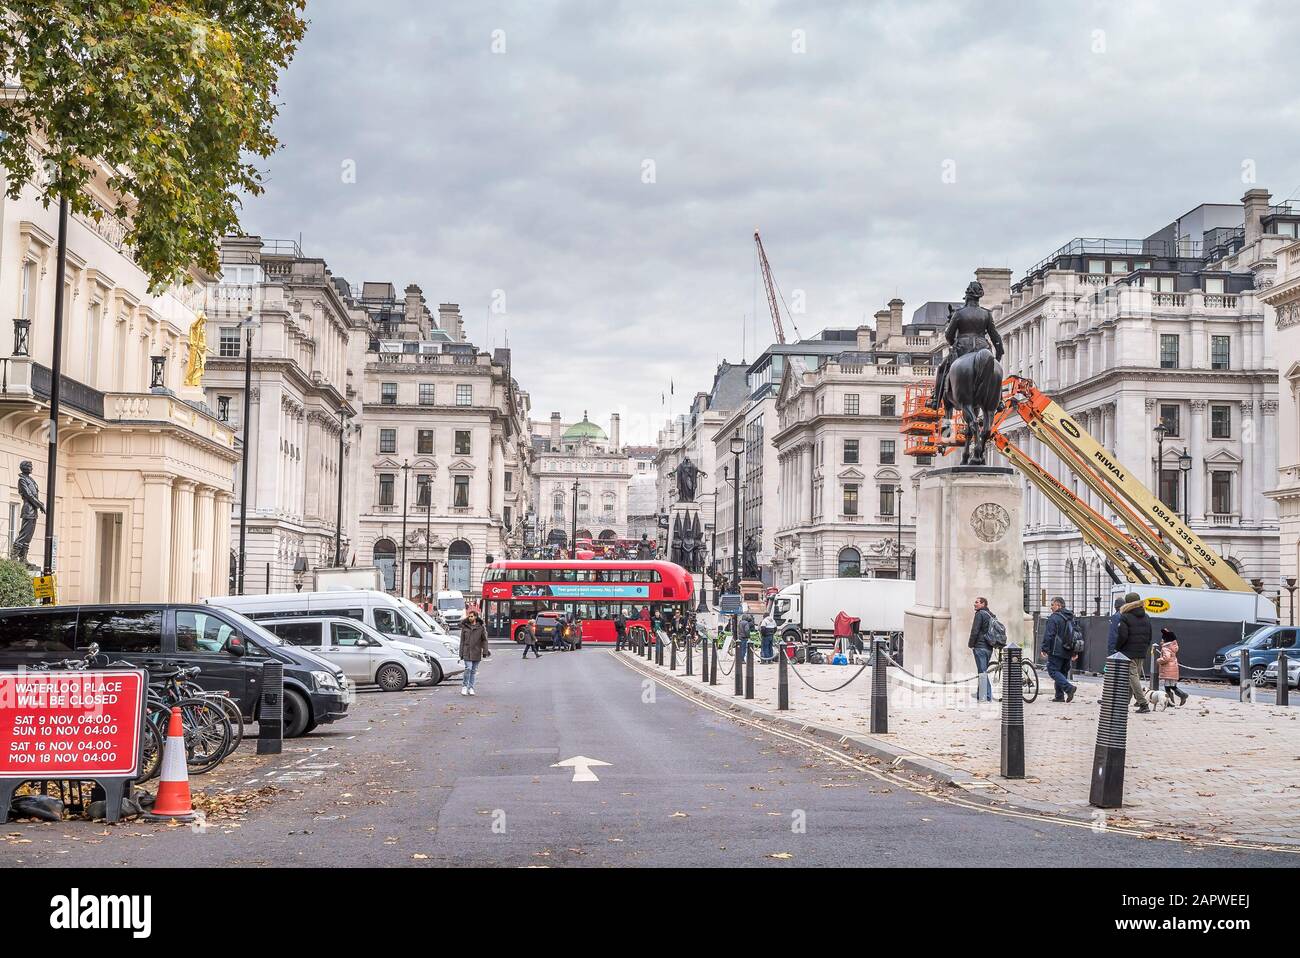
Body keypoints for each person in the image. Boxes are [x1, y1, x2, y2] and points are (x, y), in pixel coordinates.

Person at [1115, 591, 1153, 713]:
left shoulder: (1125, 617)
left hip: (1128, 652)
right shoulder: (1146, 616)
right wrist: (1145, 648)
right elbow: (1150, 635)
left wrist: (1118, 648)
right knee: (1132, 677)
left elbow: (1122, 636)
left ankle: (1143, 703)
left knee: (1132, 677)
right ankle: (1124, 702)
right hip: (1141, 651)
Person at [1042, 596, 1078, 703]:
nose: (1051, 607)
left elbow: (1049, 635)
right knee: (1062, 672)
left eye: (1052, 605)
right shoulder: (1070, 617)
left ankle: (1069, 688)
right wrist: (1074, 651)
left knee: (1053, 670)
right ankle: (1059, 696)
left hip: (1056, 650)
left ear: (1058, 605)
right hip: (1068, 649)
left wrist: (1044, 648)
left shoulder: (1054, 618)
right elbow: (1076, 635)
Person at [968, 596, 995, 701]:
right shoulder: (991, 615)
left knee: (982, 672)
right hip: (989, 647)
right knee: (982, 671)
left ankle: (986, 695)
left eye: (977, 602)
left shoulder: (979, 614)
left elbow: (975, 631)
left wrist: (971, 644)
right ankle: (981, 694)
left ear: (983, 604)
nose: (975, 604)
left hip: (980, 646)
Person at [458, 609, 490, 696]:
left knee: (473, 670)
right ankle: (464, 686)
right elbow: (462, 641)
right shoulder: (465, 627)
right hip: (467, 651)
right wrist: (460, 653)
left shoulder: (481, 627)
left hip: (476, 651)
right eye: (469, 616)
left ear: (475, 617)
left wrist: (485, 651)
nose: (470, 618)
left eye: (472, 616)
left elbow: (484, 640)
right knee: (468, 668)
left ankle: (471, 687)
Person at [1158, 627, 1189, 707]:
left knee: (1167, 687)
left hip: (1167, 670)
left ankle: (1172, 701)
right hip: (1173, 669)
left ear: (1166, 640)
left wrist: (1159, 660)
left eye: (1162, 640)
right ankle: (1179, 697)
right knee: (1172, 685)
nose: (1161, 641)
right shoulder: (1173, 647)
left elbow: (1166, 658)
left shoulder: (1165, 648)